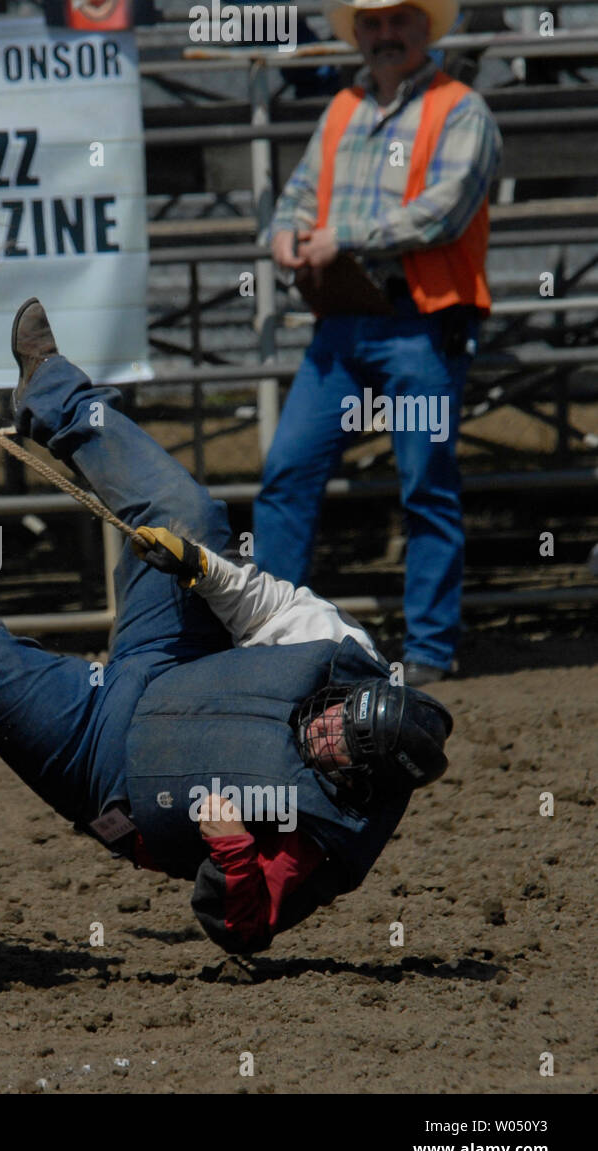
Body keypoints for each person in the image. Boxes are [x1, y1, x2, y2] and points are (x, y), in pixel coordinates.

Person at [0, 298, 454, 955]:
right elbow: (264, 606)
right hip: (174, 660)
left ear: (360, 779)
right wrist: (198, 567)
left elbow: (244, 927)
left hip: (105, 766)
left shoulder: (326, 837)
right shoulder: (347, 654)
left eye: (341, 741)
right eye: (340, 713)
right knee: (184, 512)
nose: (327, 724)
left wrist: (229, 848)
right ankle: (52, 390)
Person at [253, 0, 502, 688]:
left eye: (397, 20)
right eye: (371, 23)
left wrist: (343, 238)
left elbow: (445, 210)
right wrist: (285, 230)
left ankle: (428, 648)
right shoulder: (343, 108)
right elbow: (301, 191)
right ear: (357, 34)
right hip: (348, 322)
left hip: (421, 323)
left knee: (425, 483)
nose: (384, 34)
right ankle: (269, 633)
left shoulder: (461, 109)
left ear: (424, 28)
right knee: (287, 473)